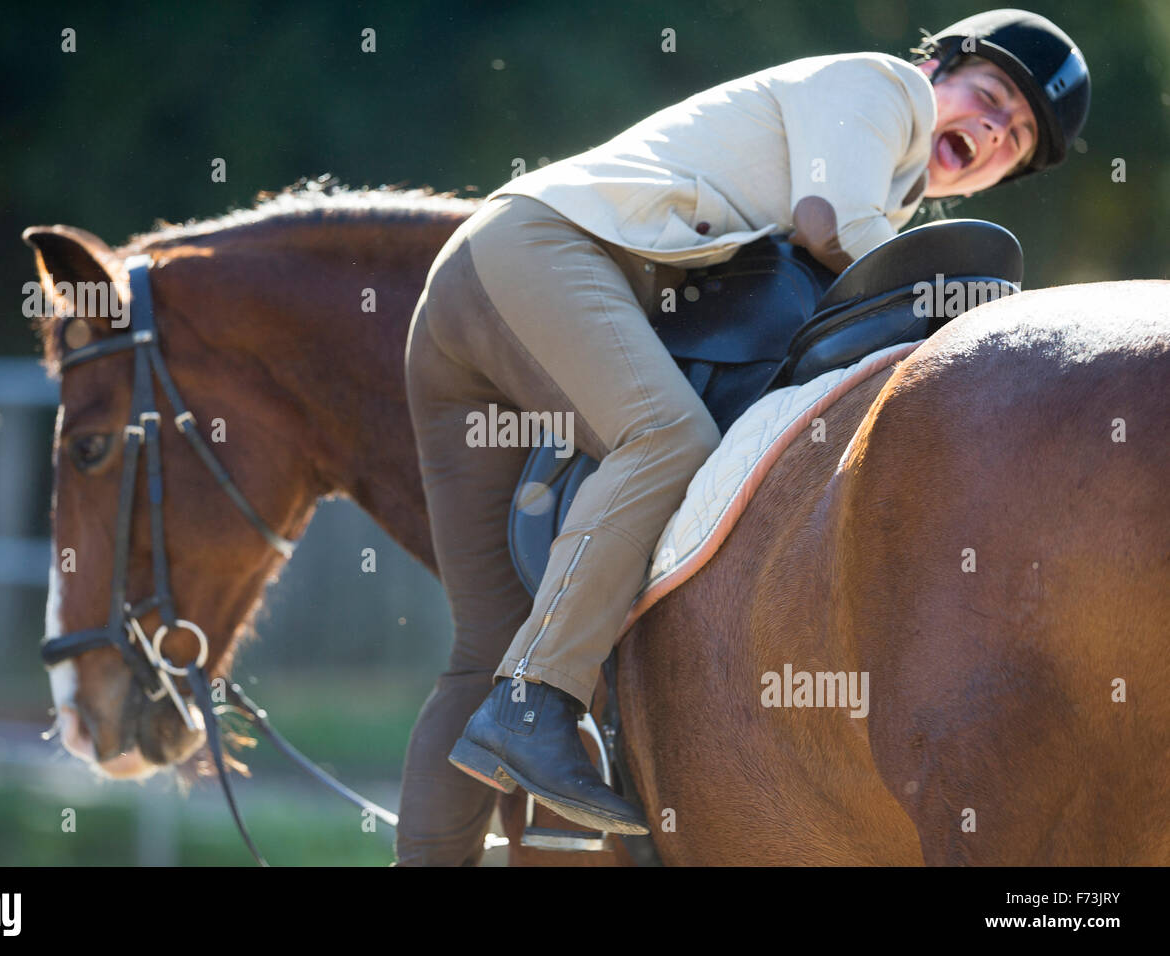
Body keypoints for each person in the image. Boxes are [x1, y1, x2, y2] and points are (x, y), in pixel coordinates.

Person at [396, 8, 1090, 865]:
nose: (992, 128)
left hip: (472, 311)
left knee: (481, 652)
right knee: (668, 437)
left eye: (1016, 137)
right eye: (988, 96)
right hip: (535, 251)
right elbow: (830, 223)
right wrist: (982, 330)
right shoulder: (881, 87)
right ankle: (538, 700)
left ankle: (481, 756)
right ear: (937, 68)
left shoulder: (898, 192)